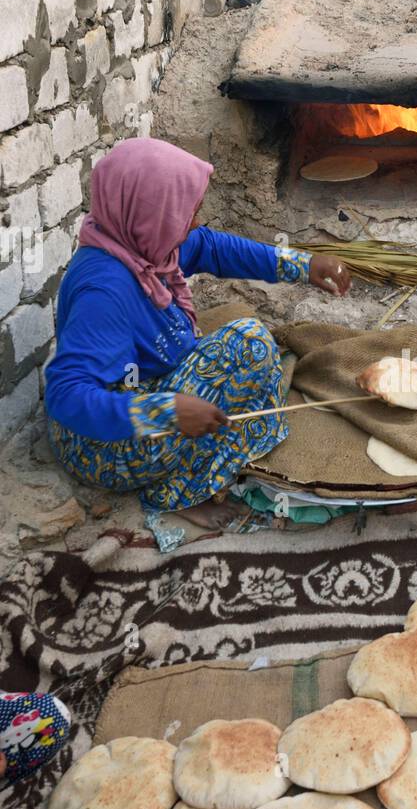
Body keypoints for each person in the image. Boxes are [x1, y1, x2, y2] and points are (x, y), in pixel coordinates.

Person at [45, 138, 351, 524]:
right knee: (251, 343)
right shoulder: (104, 291)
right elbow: (65, 396)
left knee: (254, 353)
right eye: (186, 214)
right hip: (102, 447)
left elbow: (212, 248)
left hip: (140, 392)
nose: (193, 223)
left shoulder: (142, 244)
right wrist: (164, 412)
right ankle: (179, 491)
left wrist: (302, 264)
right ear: (150, 213)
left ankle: (198, 450)